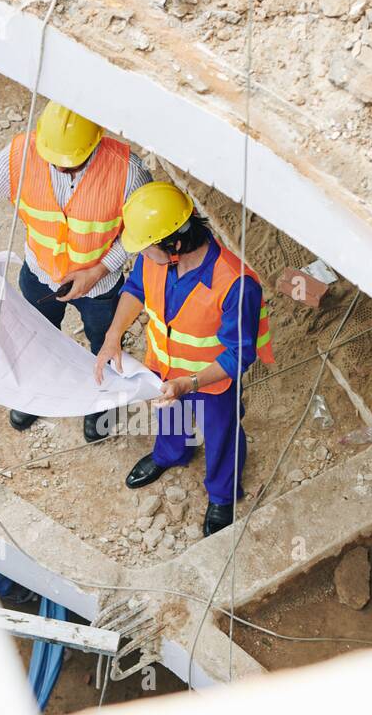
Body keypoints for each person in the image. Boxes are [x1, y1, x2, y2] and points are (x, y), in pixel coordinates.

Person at [0, 102, 151, 442]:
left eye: (71, 165)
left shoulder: (128, 171)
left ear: (96, 145)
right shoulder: (19, 155)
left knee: (103, 342)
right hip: (39, 272)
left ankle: (99, 399)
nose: (61, 169)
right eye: (54, 162)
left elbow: (136, 237)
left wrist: (98, 270)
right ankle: (38, 391)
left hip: (99, 286)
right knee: (34, 334)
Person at [94, 182, 273, 537]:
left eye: (146, 248)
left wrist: (189, 383)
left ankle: (222, 494)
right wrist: (113, 335)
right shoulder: (156, 260)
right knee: (169, 413)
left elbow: (239, 354)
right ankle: (172, 453)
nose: (141, 255)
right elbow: (135, 289)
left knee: (221, 433)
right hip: (163, 368)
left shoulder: (235, 284)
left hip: (211, 380)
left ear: (174, 243)